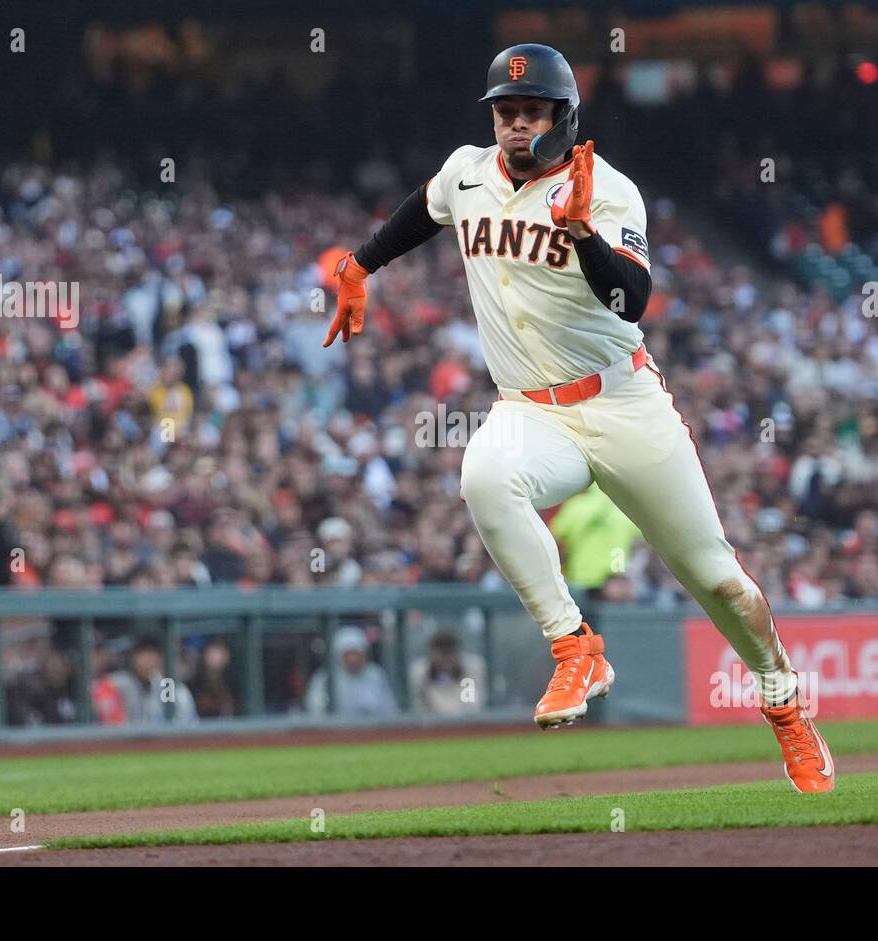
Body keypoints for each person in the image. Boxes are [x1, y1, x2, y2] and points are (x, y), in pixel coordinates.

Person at [322, 43, 834, 792]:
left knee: (717, 581)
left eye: (530, 112)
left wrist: (584, 235)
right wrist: (360, 266)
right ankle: (574, 647)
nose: (515, 126)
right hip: (532, 411)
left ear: (564, 116)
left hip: (624, 403)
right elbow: (423, 210)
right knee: (484, 477)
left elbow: (632, 300)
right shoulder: (470, 170)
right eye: (505, 112)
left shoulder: (610, 191)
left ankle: (785, 706)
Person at [304, 626, 397, 718]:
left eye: (357, 654)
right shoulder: (324, 679)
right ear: (338, 655)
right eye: (348, 654)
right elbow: (315, 711)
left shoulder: (376, 675)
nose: (353, 659)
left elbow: (390, 709)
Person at [408, 631, 486, 715]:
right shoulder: (420, 673)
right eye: (442, 654)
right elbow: (421, 709)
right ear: (431, 655)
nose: (447, 659)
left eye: (451, 653)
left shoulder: (472, 671)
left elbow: (472, 707)